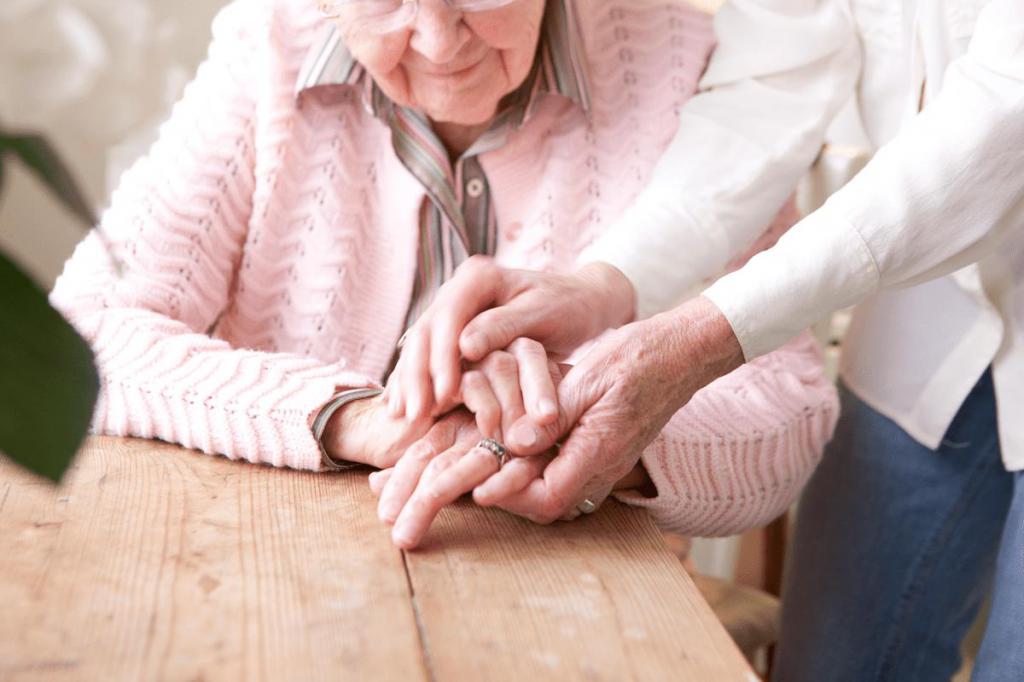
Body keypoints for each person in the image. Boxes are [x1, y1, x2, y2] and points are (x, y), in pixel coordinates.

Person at [50, 0, 837, 556]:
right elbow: (83, 331)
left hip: (578, 595)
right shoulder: (269, 40)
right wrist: (367, 420)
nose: (436, 40)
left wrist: (581, 433)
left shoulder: (686, 67)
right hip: (265, 561)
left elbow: (790, 408)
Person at [388, 0, 1024, 679]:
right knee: (832, 662)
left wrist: (696, 338)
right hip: (938, 307)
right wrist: (605, 283)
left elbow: (1004, 118)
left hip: (958, 208)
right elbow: (773, 81)